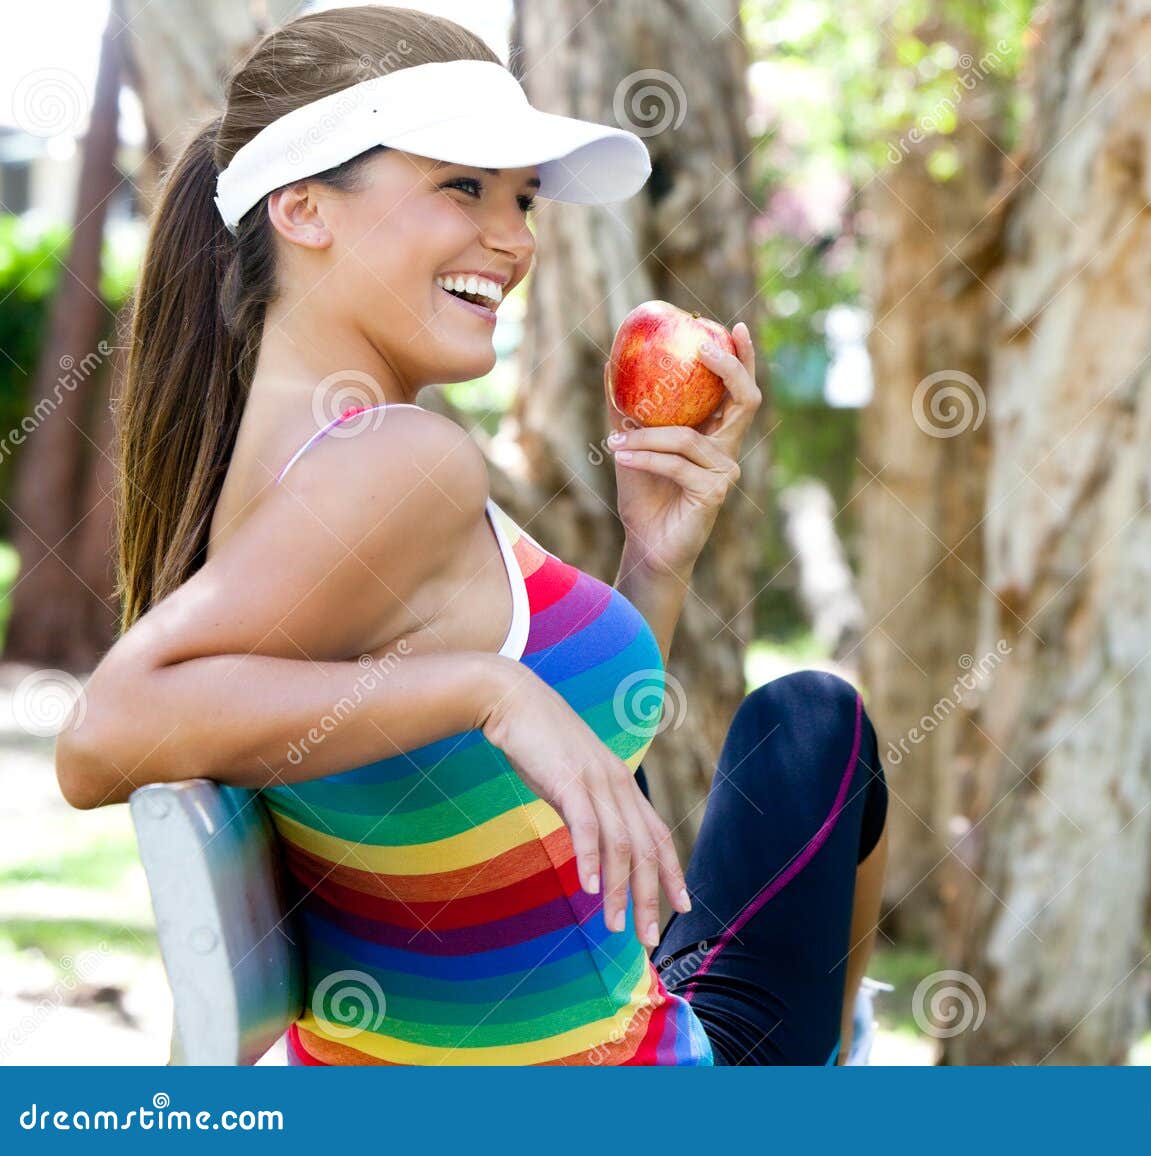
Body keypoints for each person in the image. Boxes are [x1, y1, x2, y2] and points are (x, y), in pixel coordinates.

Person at [53, 5, 887, 1067]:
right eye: (462, 186)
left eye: (523, 200)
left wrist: (651, 558)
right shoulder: (400, 459)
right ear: (302, 209)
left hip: (494, 1048)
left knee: (796, 734)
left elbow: (527, 781)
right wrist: (487, 691)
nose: (514, 238)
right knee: (817, 723)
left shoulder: (268, 461)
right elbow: (98, 738)